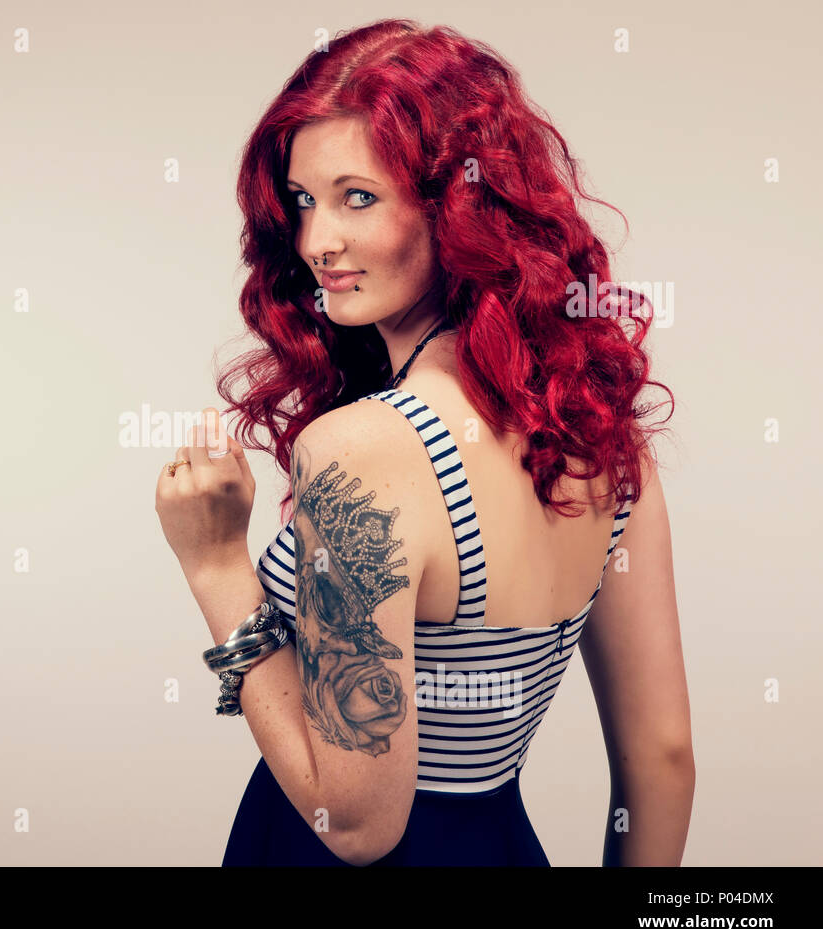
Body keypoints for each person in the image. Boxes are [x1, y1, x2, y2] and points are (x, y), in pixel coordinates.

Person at [155, 18, 693, 866]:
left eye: (357, 198)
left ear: (463, 207)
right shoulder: (600, 439)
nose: (316, 242)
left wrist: (216, 562)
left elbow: (359, 823)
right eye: (303, 201)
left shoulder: (360, 451)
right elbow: (662, 758)